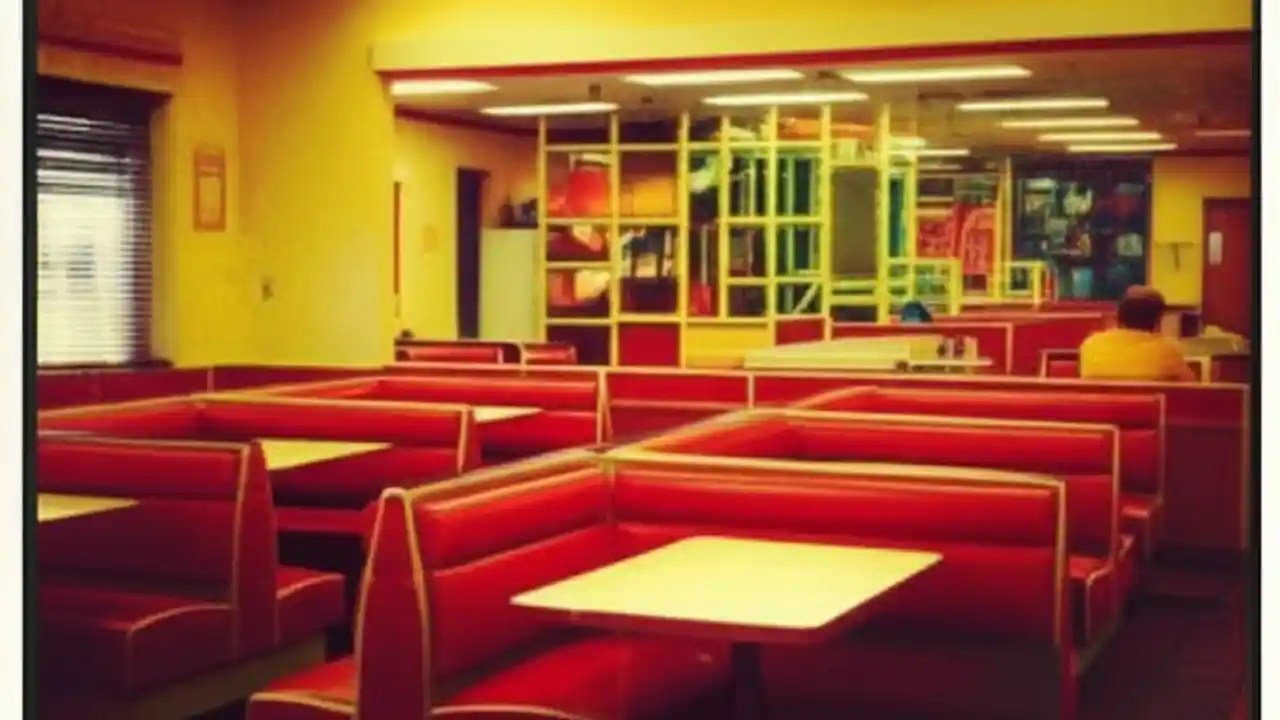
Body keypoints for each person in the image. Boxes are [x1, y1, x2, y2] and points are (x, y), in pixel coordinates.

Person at [1079, 286, 1195, 381]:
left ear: (1118, 317)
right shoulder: (1168, 350)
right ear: (1158, 321)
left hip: (1102, 404)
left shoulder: (1090, 345)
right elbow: (1191, 389)